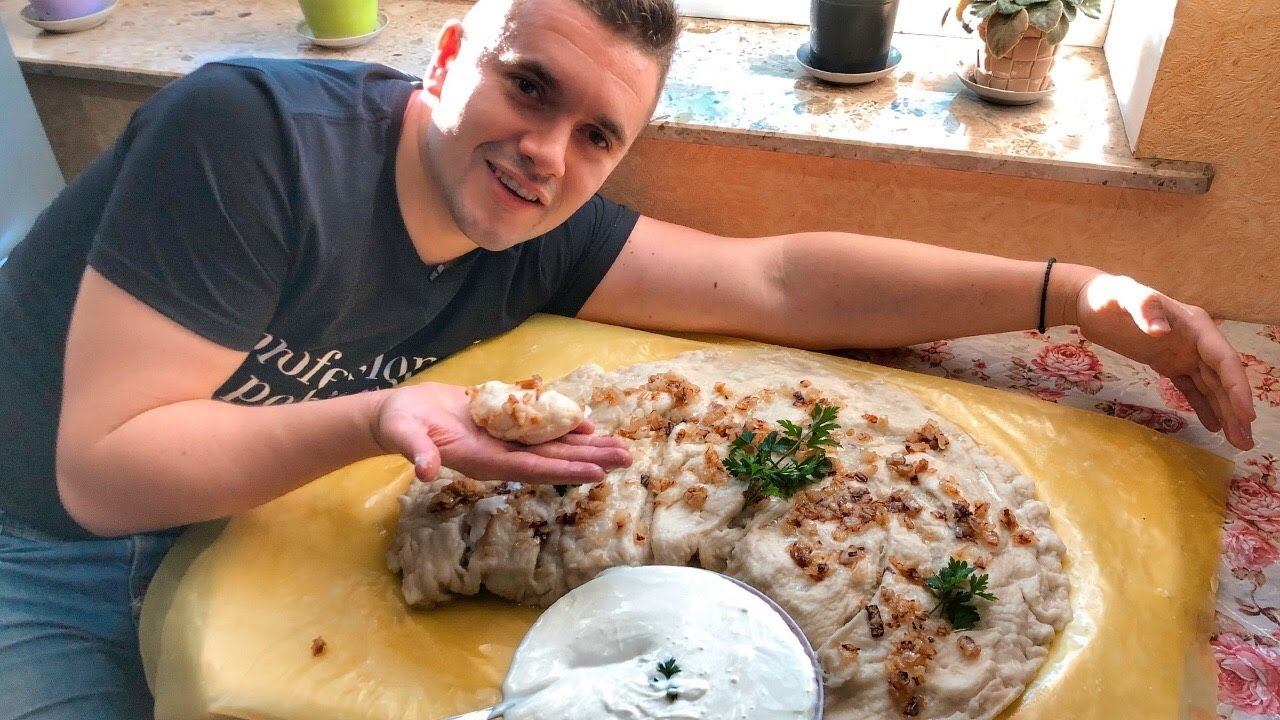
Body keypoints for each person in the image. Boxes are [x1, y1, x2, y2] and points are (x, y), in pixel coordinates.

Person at [0, 0, 1256, 717]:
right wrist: (379, 416)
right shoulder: (251, 138)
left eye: (596, 135)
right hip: (38, 542)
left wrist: (1068, 294)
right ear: (448, 58)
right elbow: (101, 476)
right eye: (526, 88)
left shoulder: (529, 225)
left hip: (255, 523)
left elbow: (773, 280)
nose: (547, 153)